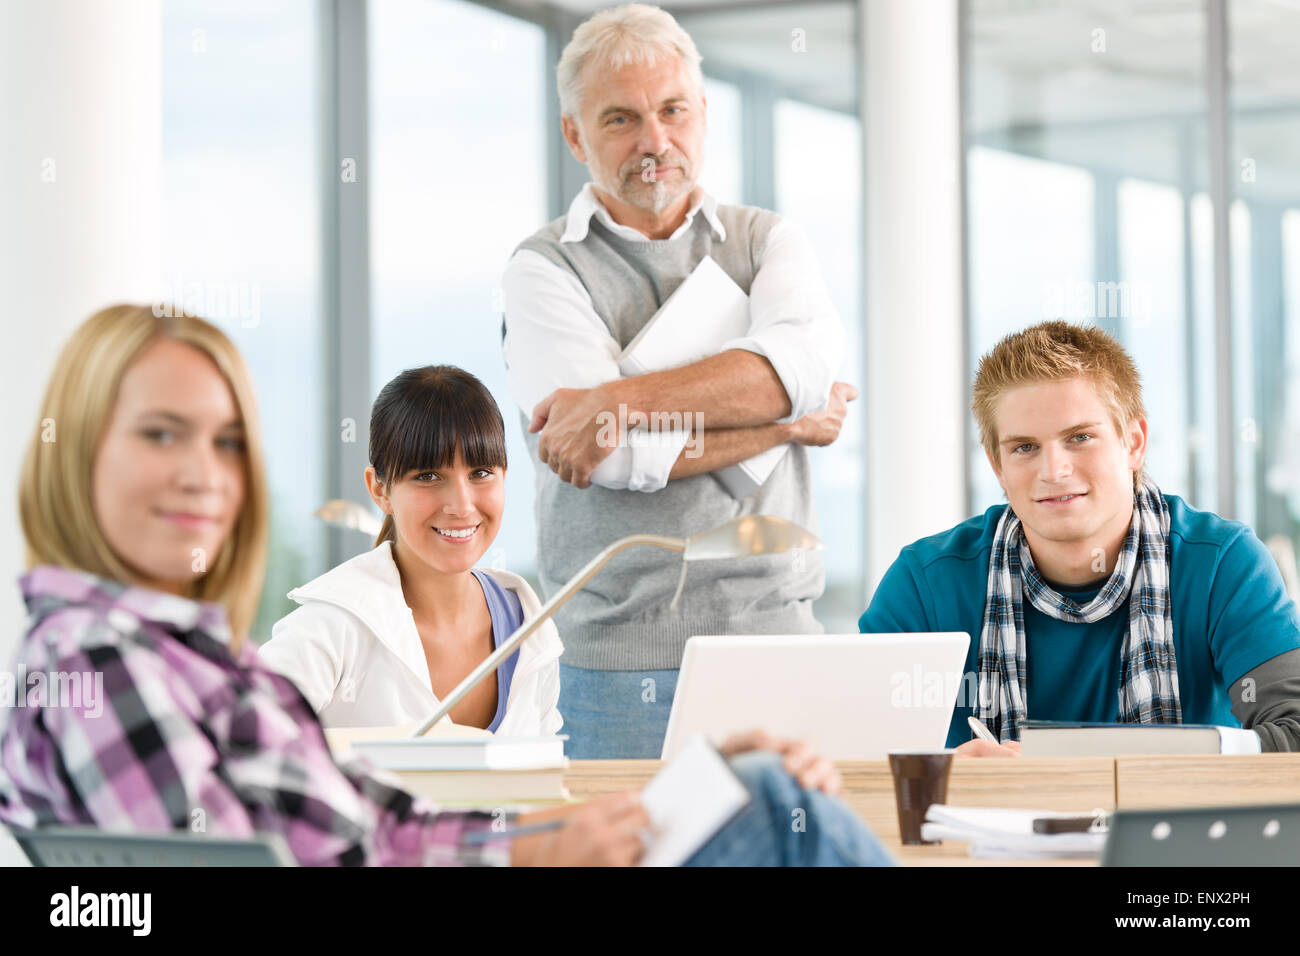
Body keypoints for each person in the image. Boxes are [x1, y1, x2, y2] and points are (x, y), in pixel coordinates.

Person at [0, 303, 894, 866]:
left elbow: (383, 826)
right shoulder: (100, 664)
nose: (202, 472)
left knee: (754, 787)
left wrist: (648, 802)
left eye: (225, 441)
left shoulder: (190, 659)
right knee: (776, 811)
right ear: (78, 448)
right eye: (161, 434)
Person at [501, 2, 858, 758]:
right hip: (619, 664)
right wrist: (789, 422)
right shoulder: (543, 270)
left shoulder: (767, 241)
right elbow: (615, 459)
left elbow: (797, 369)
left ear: (702, 113)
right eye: (621, 119)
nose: (654, 141)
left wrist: (619, 398)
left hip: (780, 642)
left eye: (673, 111)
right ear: (575, 135)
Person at [859, 320, 1300, 756]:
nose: (1054, 471)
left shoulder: (1222, 564)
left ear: (1134, 442)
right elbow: (851, 755)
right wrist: (951, 773)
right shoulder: (924, 583)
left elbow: (1294, 733)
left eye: (1080, 437)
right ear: (998, 465)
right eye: (1024, 448)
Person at [260, 366, 561, 737]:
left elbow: (545, 784)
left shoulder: (528, 626)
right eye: (428, 476)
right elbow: (239, 740)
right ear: (380, 490)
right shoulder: (332, 625)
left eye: (481, 472)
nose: (462, 505)